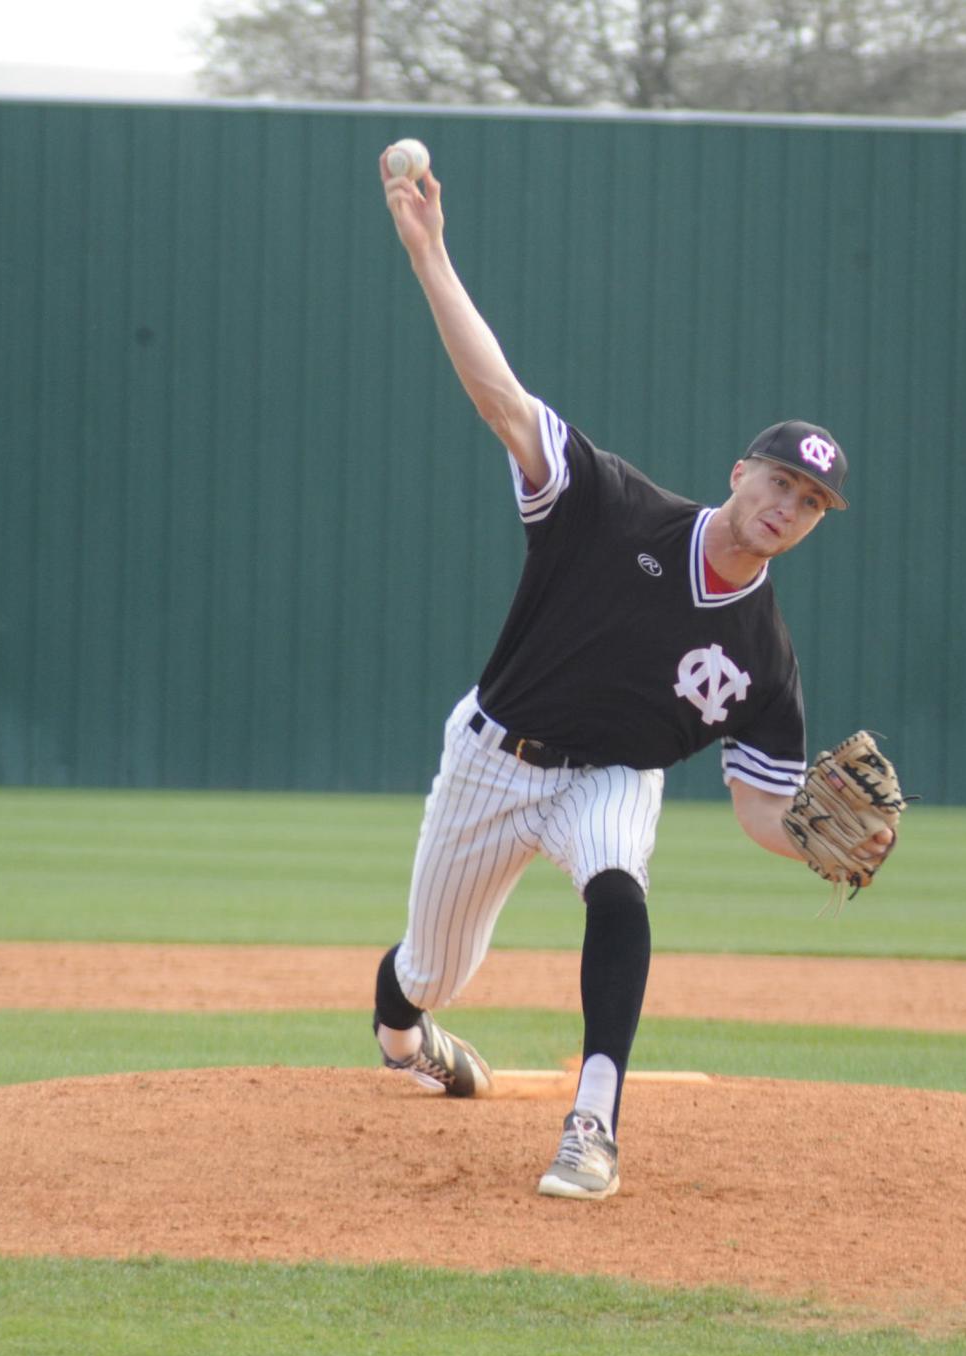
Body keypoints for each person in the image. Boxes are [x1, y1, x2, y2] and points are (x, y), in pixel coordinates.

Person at [371, 147, 893, 1201]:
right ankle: (403, 1035)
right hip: (493, 757)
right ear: (740, 471)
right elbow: (502, 400)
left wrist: (814, 841)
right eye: (779, 482)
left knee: (619, 884)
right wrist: (429, 255)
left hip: (612, 775)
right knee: (430, 969)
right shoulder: (610, 506)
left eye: (809, 505)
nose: (787, 507)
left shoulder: (765, 656)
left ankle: (593, 1127)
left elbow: (762, 807)